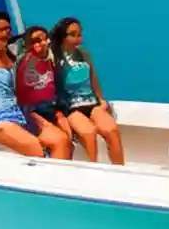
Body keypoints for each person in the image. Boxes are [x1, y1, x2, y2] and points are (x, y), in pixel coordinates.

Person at [0, 12, 71, 159]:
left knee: (61, 140)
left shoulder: (9, 54)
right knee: (40, 151)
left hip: (20, 113)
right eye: (0, 29)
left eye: (8, 29)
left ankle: (57, 181)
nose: (5, 33)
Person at [49, 17, 125, 165]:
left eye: (79, 34)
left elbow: (93, 79)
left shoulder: (83, 53)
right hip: (70, 107)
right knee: (88, 133)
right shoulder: (53, 56)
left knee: (112, 130)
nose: (78, 38)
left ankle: (120, 170)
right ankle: (92, 171)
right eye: (73, 34)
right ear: (62, 36)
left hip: (91, 102)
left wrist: (101, 100)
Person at [13, 25, 74, 158]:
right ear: (29, 45)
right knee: (61, 140)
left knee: (69, 137)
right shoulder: (25, 61)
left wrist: (59, 113)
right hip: (31, 110)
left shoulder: (50, 57)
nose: (43, 43)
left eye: (45, 39)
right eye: (36, 41)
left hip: (50, 106)